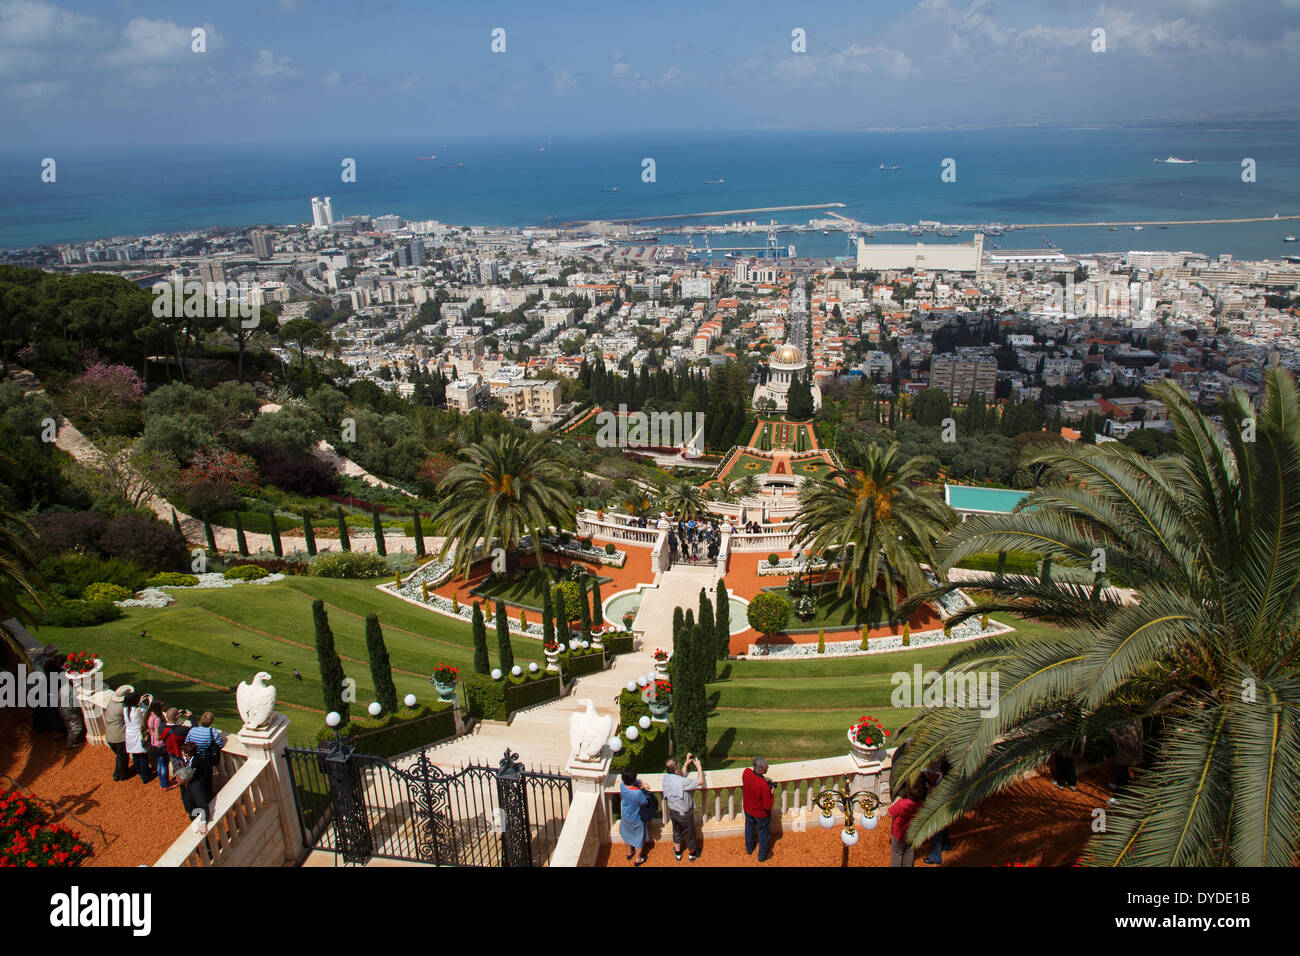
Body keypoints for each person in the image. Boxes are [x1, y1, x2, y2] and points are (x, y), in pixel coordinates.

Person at [662, 754, 704, 861]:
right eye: (678, 766)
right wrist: (699, 767)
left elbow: (679, 776)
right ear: (676, 769)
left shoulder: (666, 778)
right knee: (689, 834)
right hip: (684, 814)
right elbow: (700, 782)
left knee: (676, 832)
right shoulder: (682, 782)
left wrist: (686, 763)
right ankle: (692, 854)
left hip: (673, 812)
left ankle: (678, 853)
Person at [742, 757, 775, 862]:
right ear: (761, 770)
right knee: (763, 834)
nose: (768, 767)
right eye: (766, 767)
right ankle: (762, 856)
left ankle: (749, 849)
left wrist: (762, 778)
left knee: (749, 829)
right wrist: (772, 792)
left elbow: (752, 776)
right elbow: (767, 806)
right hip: (761, 815)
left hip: (748, 809)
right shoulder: (764, 786)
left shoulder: (746, 773)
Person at [921, 758, 954, 864]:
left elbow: (935, 796)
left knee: (937, 832)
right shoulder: (950, 780)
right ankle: (946, 844)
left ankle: (935, 857)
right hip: (947, 809)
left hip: (940, 809)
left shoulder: (943, 783)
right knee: (943, 827)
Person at [176, 741, 213, 833]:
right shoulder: (186, 764)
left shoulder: (199, 763)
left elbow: (203, 805)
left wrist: (203, 823)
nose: (177, 781)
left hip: (198, 796)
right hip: (191, 804)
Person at [49, 655, 85, 749]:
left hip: (64, 711)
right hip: (70, 712)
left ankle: (72, 740)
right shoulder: (70, 690)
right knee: (76, 726)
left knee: (70, 726)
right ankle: (71, 743)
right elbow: (74, 703)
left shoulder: (63, 688)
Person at [888, 782, 925, 867]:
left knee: (897, 854)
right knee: (909, 853)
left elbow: (890, 812)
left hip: (899, 835)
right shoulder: (922, 804)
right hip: (912, 834)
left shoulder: (902, 804)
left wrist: (897, 800)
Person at [618, 770, 650, 866]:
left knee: (628, 835)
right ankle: (638, 859)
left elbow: (631, 784)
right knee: (639, 840)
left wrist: (638, 783)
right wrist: (644, 787)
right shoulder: (637, 793)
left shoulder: (622, 786)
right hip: (636, 819)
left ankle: (629, 852)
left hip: (625, 817)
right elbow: (645, 802)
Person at [1108, 718, 1143, 802]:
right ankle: (1123, 787)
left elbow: (1131, 743)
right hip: (1125, 754)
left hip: (1126, 755)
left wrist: (1115, 735)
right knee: (1123, 770)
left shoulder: (1132, 725)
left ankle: (1120, 796)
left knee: (1119, 772)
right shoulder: (1135, 720)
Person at [123, 691, 153, 784]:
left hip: (129, 735)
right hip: (138, 736)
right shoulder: (139, 710)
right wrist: (150, 702)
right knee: (142, 756)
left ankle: (140, 772)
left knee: (135, 756)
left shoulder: (125, 709)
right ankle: (145, 776)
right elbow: (149, 712)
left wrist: (139, 702)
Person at [104, 684, 132, 781]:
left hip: (109, 735)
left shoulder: (111, 703)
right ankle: (123, 775)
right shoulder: (122, 707)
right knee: (123, 756)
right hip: (119, 737)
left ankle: (117, 774)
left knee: (120, 755)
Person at [145, 698, 171, 789]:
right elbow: (158, 736)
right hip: (160, 745)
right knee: (163, 765)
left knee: (160, 764)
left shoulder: (149, 715)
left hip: (153, 744)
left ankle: (162, 782)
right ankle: (165, 784)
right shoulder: (157, 719)